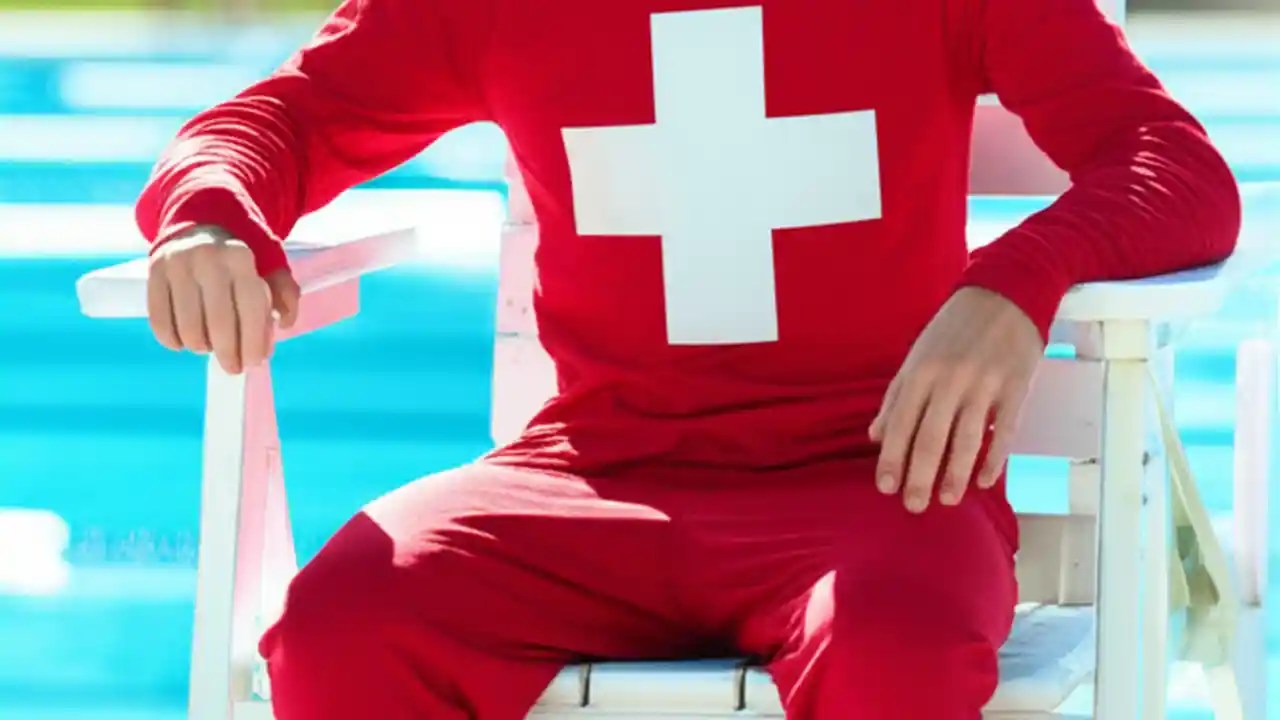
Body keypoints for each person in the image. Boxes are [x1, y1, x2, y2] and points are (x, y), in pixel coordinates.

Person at [136, 0, 1241, 717]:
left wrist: (1009, 284)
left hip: (874, 481)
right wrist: (208, 218)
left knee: (893, 647)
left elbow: (1176, 169)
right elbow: (273, 120)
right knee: (342, 629)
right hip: (588, 479)